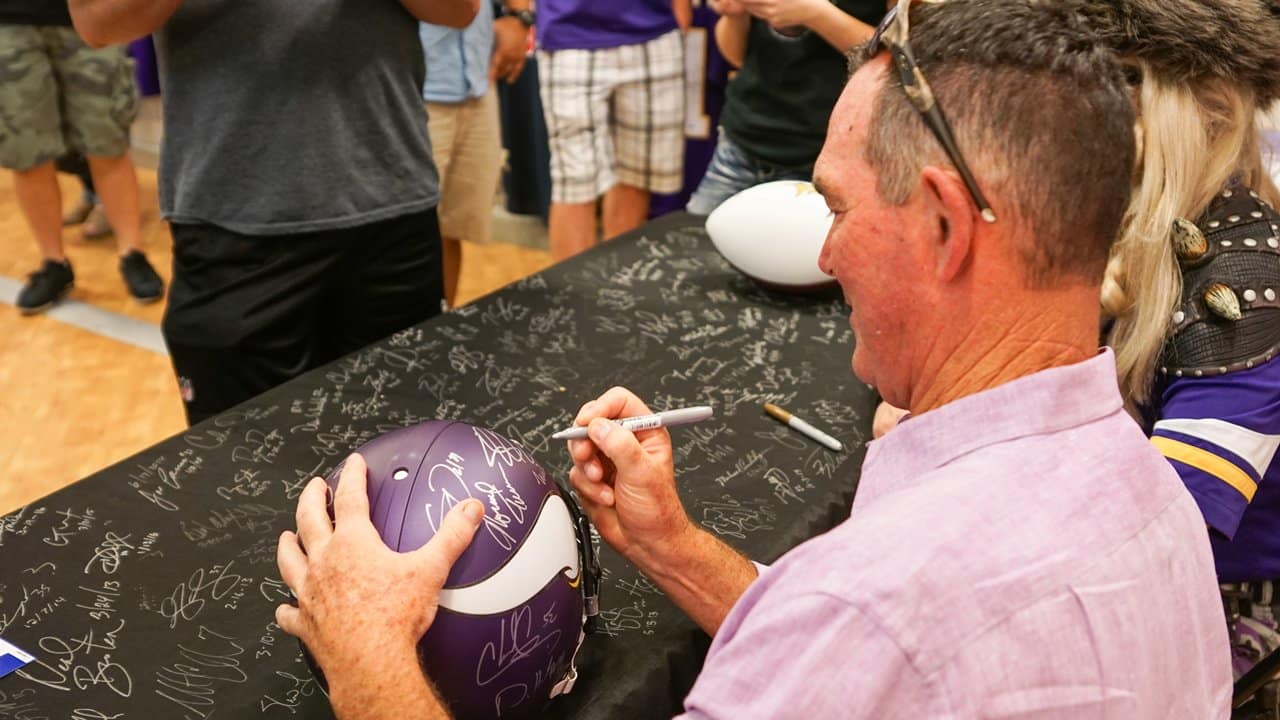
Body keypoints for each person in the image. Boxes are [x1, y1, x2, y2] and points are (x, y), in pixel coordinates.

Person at [274, 2, 1233, 716]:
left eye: (841, 208)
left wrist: (370, 652)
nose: (824, 254)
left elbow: (863, 635)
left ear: (945, 224)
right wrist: (672, 545)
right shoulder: (1151, 496)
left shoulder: (874, 608)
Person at [69, 0, 477, 425]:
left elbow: (460, 10)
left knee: (400, 457)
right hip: (233, 221)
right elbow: (96, 22)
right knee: (245, 464)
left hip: (388, 206)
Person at [1083, 0, 1280, 706]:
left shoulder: (1247, 282)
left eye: (1125, 79)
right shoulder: (1147, 234)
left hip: (1222, 607)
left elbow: (1171, 529)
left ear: (1202, 110)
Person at [1, 3, 163, 315]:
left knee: (107, 142)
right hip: (9, 22)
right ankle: (53, 262)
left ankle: (132, 253)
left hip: (91, 12)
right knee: (26, 152)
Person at [684, 0, 884, 215]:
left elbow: (895, 59)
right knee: (694, 238)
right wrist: (735, 15)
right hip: (740, 143)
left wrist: (814, 14)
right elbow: (737, 57)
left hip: (823, 158)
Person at [536, 0, 692, 260]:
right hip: (569, 33)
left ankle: (616, 290)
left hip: (654, 29)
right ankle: (571, 297)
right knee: (574, 183)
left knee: (636, 175)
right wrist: (518, 13)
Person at [420, 0, 533, 306]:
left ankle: (436, 340)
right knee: (406, 240)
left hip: (477, 80)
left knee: (450, 230)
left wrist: (518, 16)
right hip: (411, 90)